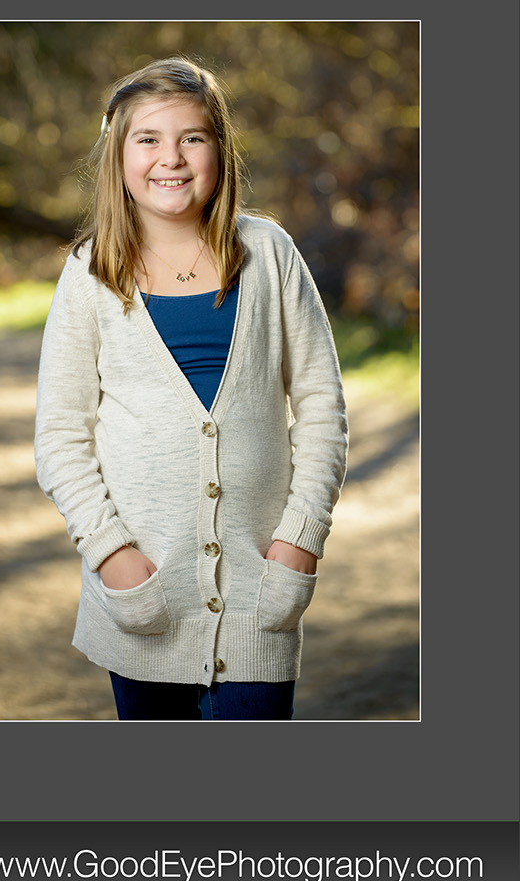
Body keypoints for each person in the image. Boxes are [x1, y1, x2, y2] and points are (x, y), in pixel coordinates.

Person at [34, 57, 349, 720]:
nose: (170, 158)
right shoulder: (89, 274)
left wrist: (301, 537)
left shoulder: (269, 255)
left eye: (193, 138)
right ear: (118, 155)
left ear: (220, 150)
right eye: (147, 139)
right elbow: (60, 436)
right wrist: (112, 554)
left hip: (260, 593)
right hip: (142, 593)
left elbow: (322, 407)